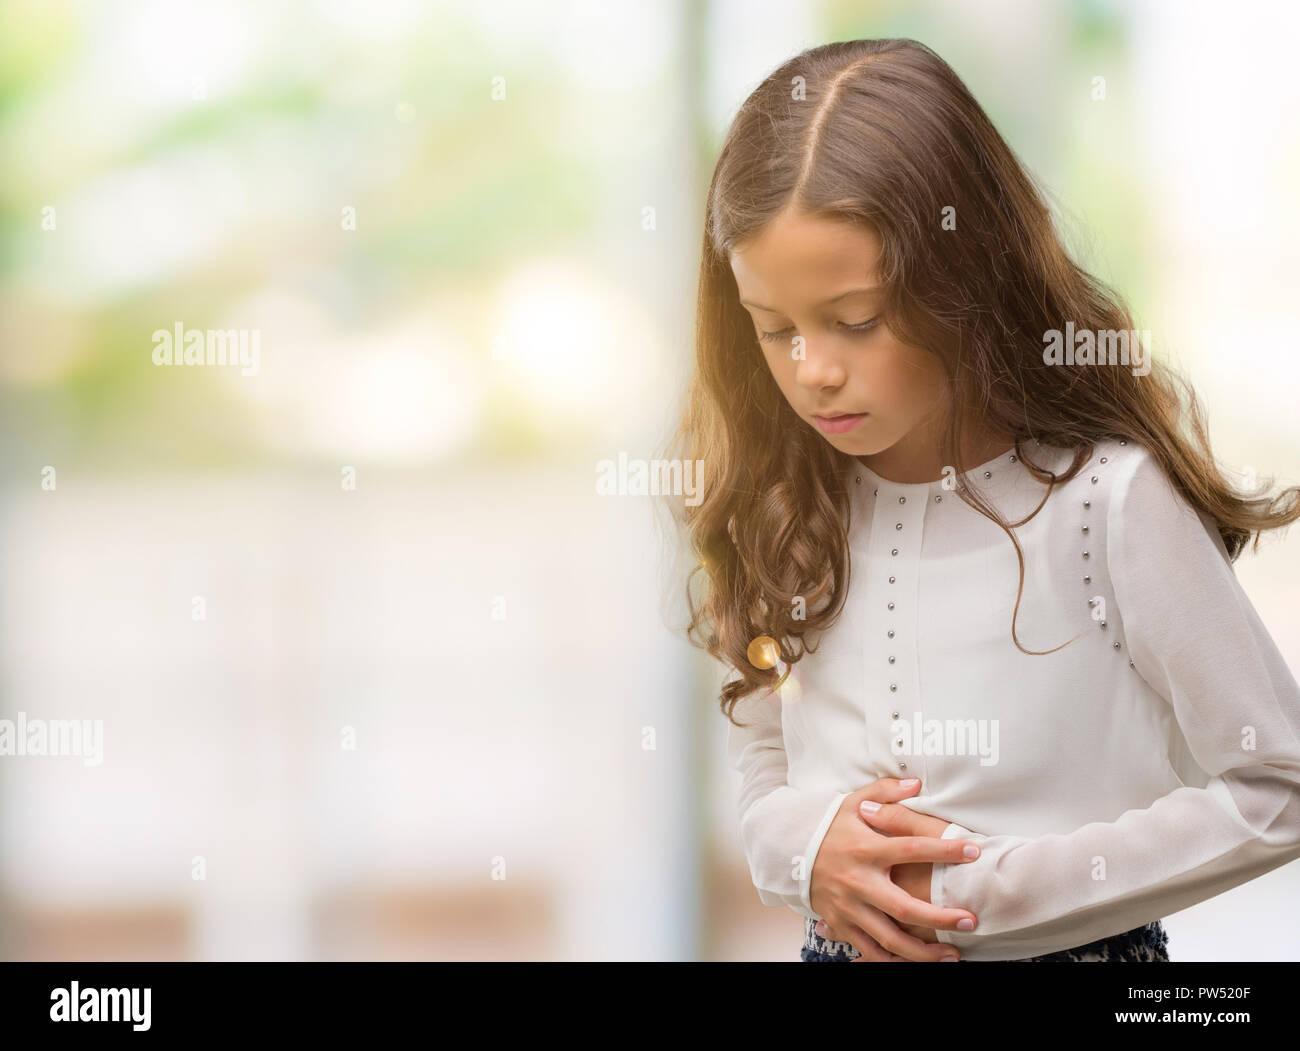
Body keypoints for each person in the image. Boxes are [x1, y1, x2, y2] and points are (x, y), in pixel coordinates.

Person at [665, 37, 1300, 962]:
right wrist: (804, 854)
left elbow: (1278, 783)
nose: (815, 371)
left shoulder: (1108, 503)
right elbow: (767, 757)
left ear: (964, 279)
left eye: (854, 320)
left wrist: (983, 896)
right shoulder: (790, 506)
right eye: (775, 329)